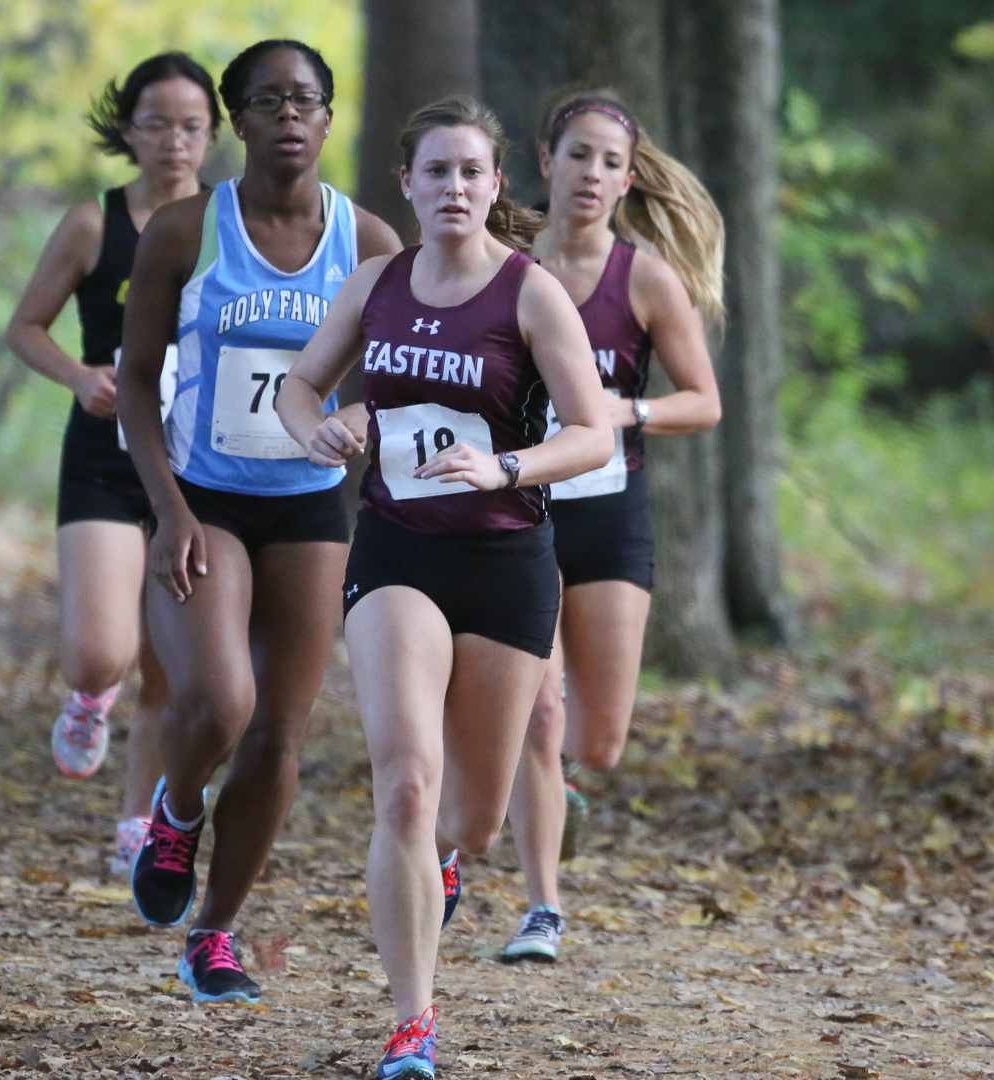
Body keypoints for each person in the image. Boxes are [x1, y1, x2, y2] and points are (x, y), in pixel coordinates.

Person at [275, 97, 612, 1080]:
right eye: (437, 171)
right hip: (397, 550)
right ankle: (412, 1025)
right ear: (408, 185)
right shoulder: (376, 284)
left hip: (506, 562)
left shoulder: (530, 292)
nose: (455, 188)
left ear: (497, 185)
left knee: (468, 817)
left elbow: (591, 434)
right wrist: (321, 432)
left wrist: (506, 468)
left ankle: (451, 866)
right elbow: (302, 387)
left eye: (472, 172)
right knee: (407, 781)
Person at [114, 38, 402, 1006]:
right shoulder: (188, 232)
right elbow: (138, 389)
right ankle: (177, 807)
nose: (289, 115)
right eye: (269, 100)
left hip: (312, 504)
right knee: (218, 702)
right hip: (207, 497)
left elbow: (405, 372)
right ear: (238, 119)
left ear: (328, 119)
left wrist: (366, 414)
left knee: (280, 734)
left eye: (307, 99)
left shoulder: (366, 241)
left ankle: (215, 933)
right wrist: (165, 510)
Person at [500, 90, 724, 963]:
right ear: (546, 160)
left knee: (597, 740)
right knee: (541, 717)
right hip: (521, 514)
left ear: (627, 181)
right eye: (578, 155)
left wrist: (621, 412)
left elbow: (703, 402)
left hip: (610, 516)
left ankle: (560, 795)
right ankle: (542, 910)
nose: (591, 174)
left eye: (609, 163)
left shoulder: (646, 279)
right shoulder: (507, 263)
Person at [5, 53, 219, 875]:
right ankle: (90, 697)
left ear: (212, 134)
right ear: (127, 129)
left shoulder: (224, 226)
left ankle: (140, 818)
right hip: (103, 454)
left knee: (173, 661)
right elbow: (26, 326)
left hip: (195, 461)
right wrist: (79, 375)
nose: (174, 140)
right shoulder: (95, 224)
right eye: (157, 122)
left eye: (192, 125)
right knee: (103, 649)